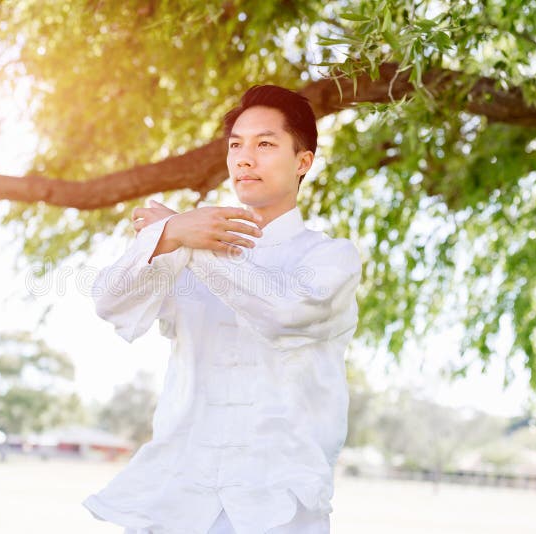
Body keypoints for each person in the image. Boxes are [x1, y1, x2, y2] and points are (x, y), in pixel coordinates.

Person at [85, 85, 361, 534]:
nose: (244, 159)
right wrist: (169, 235)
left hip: (279, 506)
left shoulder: (332, 257)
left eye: (265, 144)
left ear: (303, 161)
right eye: (236, 146)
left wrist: (186, 238)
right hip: (179, 499)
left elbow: (285, 313)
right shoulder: (181, 238)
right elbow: (110, 302)